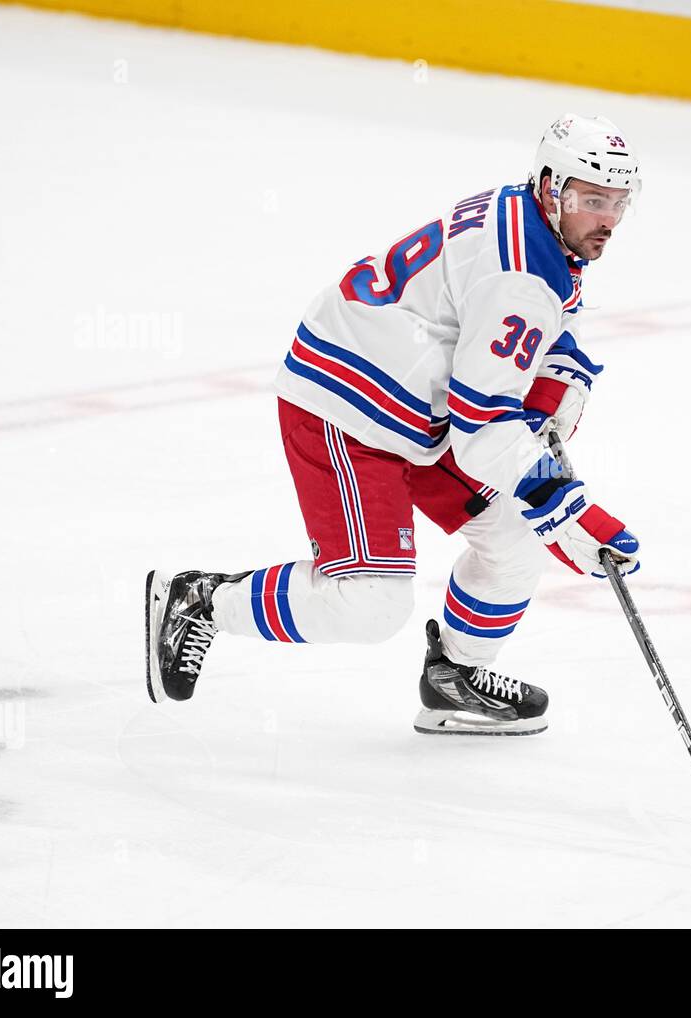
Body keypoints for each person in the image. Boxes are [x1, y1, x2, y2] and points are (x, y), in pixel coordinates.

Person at [145, 114, 642, 736]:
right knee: (370, 607)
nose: (607, 220)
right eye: (590, 201)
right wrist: (572, 514)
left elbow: (523, 326)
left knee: (515, 539)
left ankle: (454, 680)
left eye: (618, 202)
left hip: (418, 406)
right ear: (550, 187)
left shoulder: (529, 220)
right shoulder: (519, 273)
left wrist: (554, 376)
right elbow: (485, 430)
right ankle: (199, 601)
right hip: (349, 406)